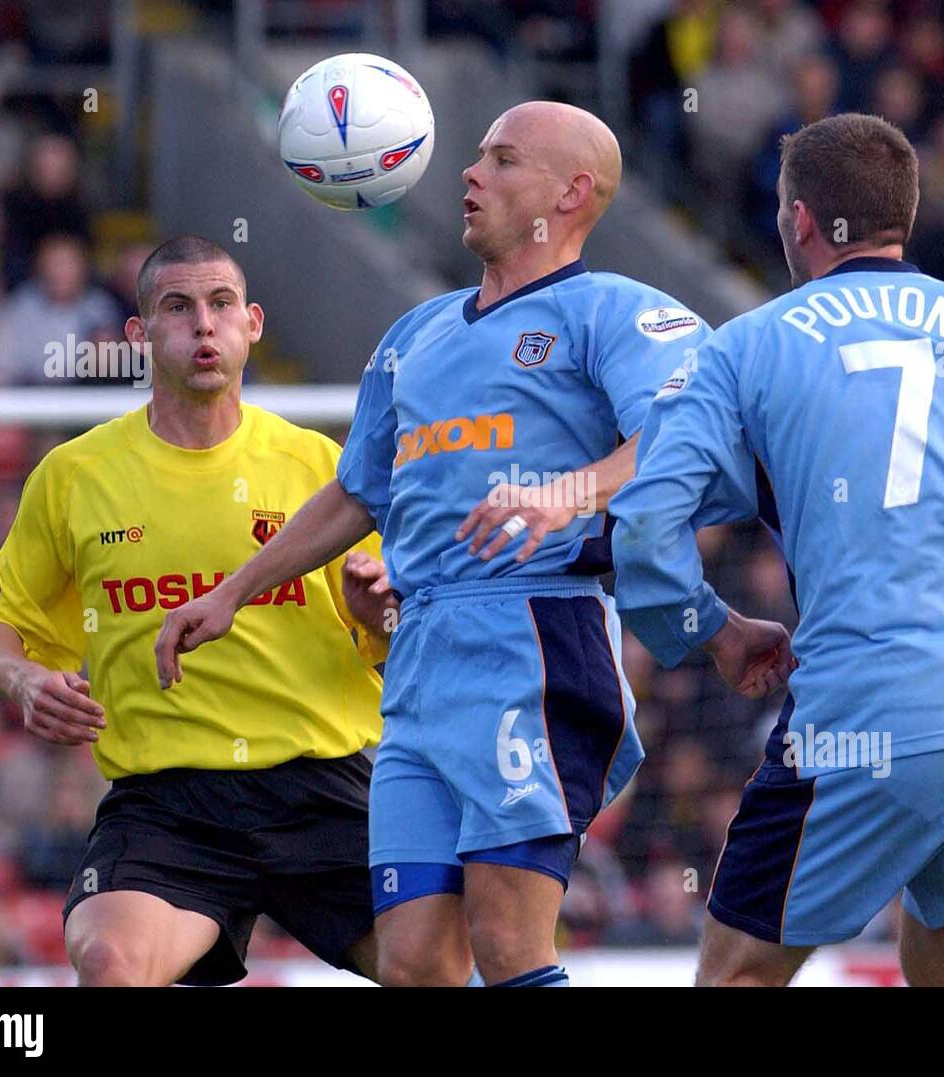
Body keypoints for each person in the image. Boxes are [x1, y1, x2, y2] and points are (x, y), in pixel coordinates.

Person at [153, 102, 765, 987]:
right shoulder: (416, 335)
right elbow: (358, 492)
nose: (471, 175)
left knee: (509, 940)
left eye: (502, 160)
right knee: (412, 963)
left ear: (571, 193)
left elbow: (689, 436)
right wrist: (231, 592)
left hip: (537, 641)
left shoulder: (617, 313)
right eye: (477, 158)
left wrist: (568, 492)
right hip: (420, 659)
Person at [610, 113, 944, 986]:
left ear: (800, 219)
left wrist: (716, 629)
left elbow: (646, 535)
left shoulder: (747, 347)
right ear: (905, 216)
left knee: (737, 974)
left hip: (868, 715)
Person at [0, 235, 390, 986]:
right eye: (178, 307)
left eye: (222, 305)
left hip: (325, 788)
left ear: (253, 323)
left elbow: (400, 639)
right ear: (139, 335)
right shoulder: (75, 475)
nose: (204, 325)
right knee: (109, 960)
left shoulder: (320, 468)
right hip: (169, 804)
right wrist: (26, 680)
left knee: (445, 966)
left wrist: (379, 616)